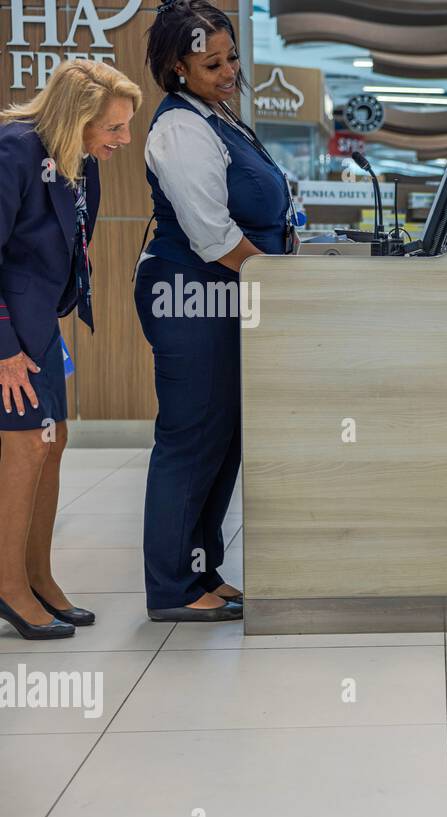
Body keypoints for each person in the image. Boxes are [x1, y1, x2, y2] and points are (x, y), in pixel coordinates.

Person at [136, 0, 294, 622]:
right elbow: (213, 235)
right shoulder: (179, 128)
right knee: (191, 437)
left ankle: (203, 569)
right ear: (178, 68)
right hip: (191, 296)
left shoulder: (216, 115)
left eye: (231, 58)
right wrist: (282, 281)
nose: (229, 71)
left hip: (228, 296)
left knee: (223, 439)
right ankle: (172, 589)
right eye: (212, 64)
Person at [0, 60, 140, 640]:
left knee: (53, 446)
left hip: (43, 329)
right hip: (10, 333)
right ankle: (8, 586)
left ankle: (38, 577)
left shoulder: (80, 160)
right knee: (26, 450)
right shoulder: (13, 151)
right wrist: (5, 349)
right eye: (114, 127)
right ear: (78, 116)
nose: (124, 139)